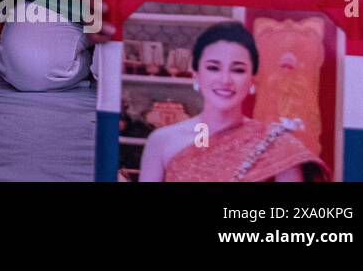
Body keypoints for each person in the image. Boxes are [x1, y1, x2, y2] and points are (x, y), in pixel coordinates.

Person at [139, 22, 328, 181]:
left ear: (252, 79)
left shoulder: (276, 146)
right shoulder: (162, 141)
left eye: (238, 70)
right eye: (213, 68)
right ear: (196, 75)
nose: (225, 80)